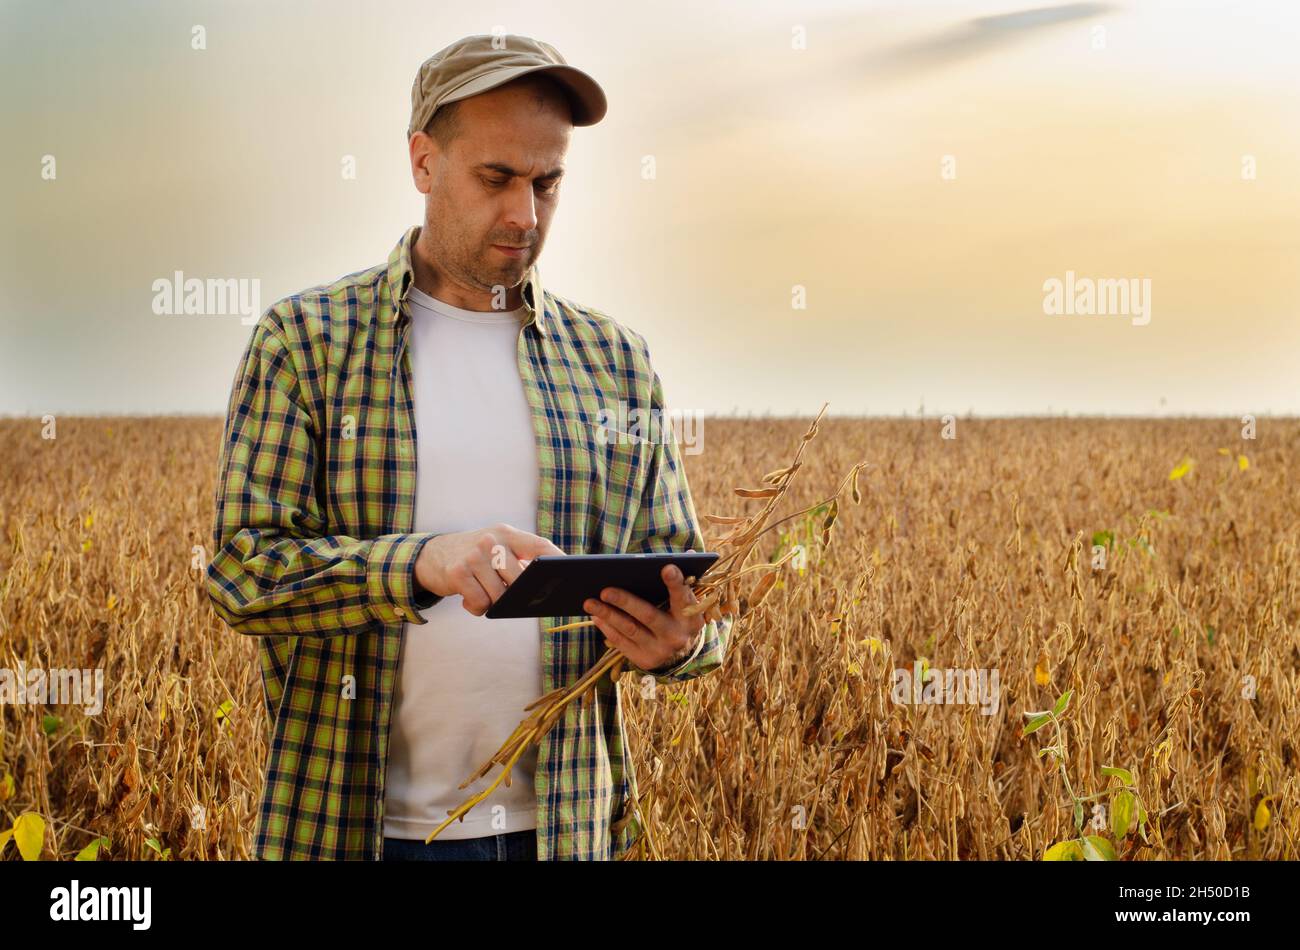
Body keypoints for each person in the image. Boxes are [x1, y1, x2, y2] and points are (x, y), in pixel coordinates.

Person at [204, 33, 732, 861]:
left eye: (547, 183)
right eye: (497, 178)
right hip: (354, 832)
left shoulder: (616, 362)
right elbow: (242, 570)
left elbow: (693, 591)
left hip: (562, 833)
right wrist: (422, 564)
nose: (525, 214)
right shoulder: (304, 342)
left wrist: (684, 642)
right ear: (423, 162)